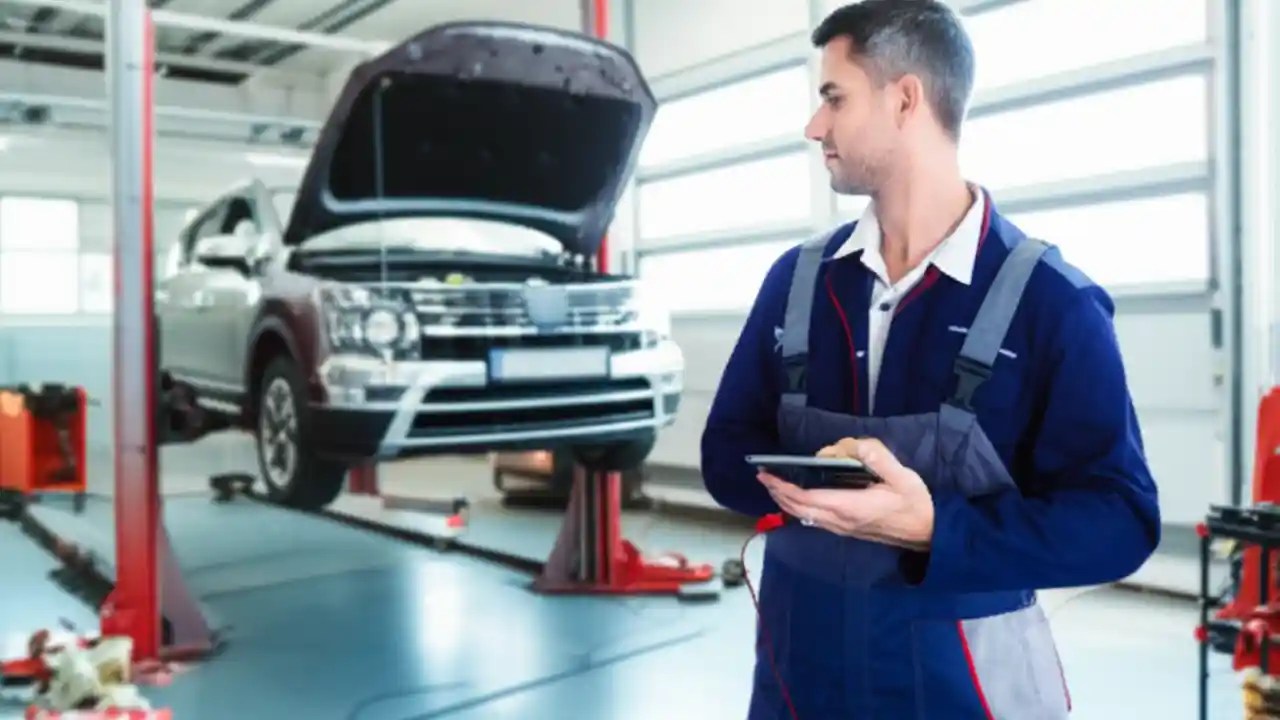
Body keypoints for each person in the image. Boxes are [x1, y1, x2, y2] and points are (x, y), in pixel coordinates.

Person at [700, 1, 1161, 718]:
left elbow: (1120, 521)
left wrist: (933, 529)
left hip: (962, 694)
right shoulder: (795, 283)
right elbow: (724, 456)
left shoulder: (1053, 303)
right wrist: (815, 488)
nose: (814, 126)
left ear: (905, 99)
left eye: (834, 98)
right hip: (799, 684)